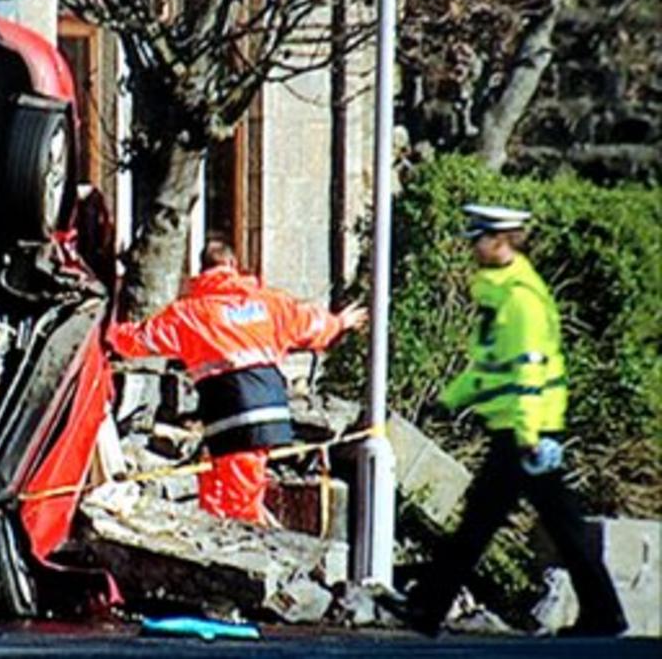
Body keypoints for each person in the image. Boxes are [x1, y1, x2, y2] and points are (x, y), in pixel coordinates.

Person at [405, 204, 627, 637]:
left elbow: (528, 369)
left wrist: (527, 435)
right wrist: (450, 401)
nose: (472, 246)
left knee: (493, 523)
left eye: (479, 238)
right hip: (517, 432)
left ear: (501, 241)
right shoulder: (500, 292)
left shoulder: (519, 298)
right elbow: (487, 366)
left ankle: (427, 608)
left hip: (525, 434)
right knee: (546, 525)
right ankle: (604, 614)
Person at [106, 240, 367, 524]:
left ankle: (245, 557)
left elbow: (137, 340)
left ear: (201, 270)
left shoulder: (189, 313)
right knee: (219, 489)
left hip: (231, 413)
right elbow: (312, 324)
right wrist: (340, 323)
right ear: (232, 266)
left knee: (237, 504)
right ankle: (220, 546)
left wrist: (102, 329)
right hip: (264, 410)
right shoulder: (269, 303)